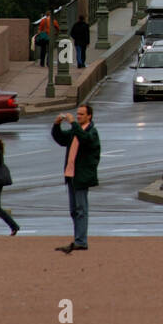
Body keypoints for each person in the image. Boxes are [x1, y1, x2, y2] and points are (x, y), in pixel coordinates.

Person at [51, 103, 101, 253]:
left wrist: (73, 123)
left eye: (81, 114)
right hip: (71, 175)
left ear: (89, 116)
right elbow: (60, 139)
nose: (78, 116)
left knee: (81, 209)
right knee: (73, 210)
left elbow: (85, 139)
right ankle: (78, 238)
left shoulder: (92, 132)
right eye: (77, 114)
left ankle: (81, 241)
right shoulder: (75, 132)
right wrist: (56, 125)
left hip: (82, 176)